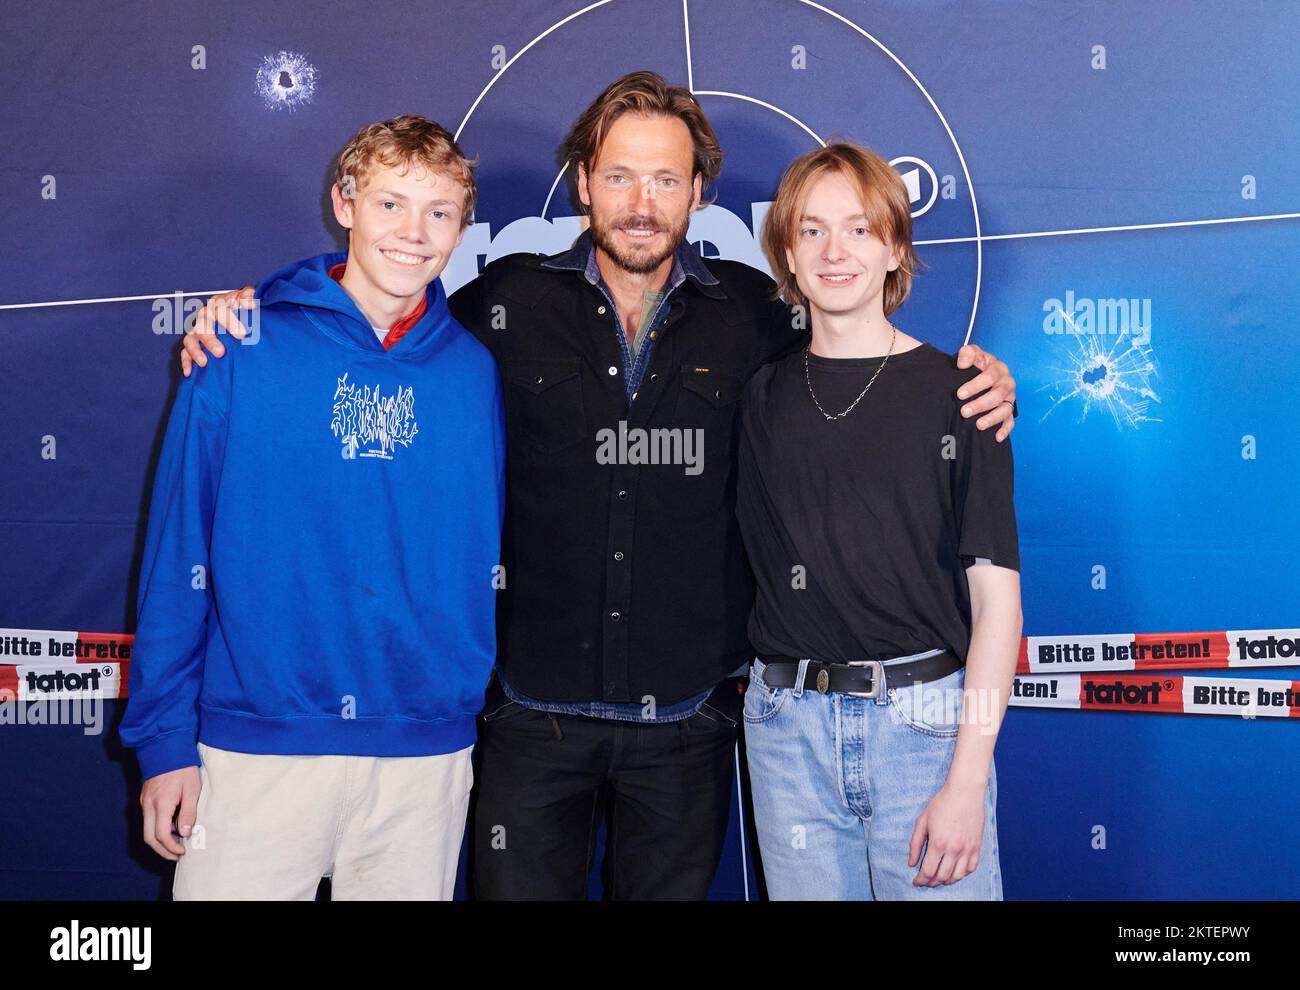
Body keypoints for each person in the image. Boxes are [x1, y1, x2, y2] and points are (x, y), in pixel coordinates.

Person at [177, 71, 1018, 900]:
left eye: (664, 178)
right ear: (584, 182)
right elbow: (386, 304)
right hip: (529, 720)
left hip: (688, 724)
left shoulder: (758, 314)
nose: (641, 200)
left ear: (697, 192)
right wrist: (263, 305)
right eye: (618, 175)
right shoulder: (502, 303)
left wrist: (973, 377)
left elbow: (860, 352)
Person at [120, 115, 504, 900]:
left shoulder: (472, 371)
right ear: (345, 203)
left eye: (440, 212)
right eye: (391, 204)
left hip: (421, 761)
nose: (413, 232)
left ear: (464, 229)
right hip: (256, 748)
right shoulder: (239, 346)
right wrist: (163, 741)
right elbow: (178, 551)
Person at [736, 141, 1022, 900]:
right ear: (787, 255)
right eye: (813, 231)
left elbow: (998, 609)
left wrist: (969, 777)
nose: (836, 251)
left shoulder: (961, 394)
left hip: (925, 733)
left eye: (860, 229)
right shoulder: (757, 396)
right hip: (785, 733)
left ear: (896, 247)